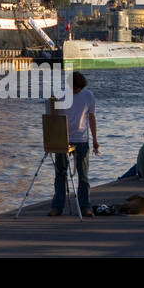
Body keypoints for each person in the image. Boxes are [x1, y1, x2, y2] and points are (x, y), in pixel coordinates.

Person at [49, 72, 99, 217]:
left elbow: (91, 118)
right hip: (62, 138)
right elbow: (54, 117)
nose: (76, 91)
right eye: (75, 88)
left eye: (79, 89)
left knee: (83, 175)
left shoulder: (88, 95)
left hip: (81, 138)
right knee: (60, 174)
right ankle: (57, 206)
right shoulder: (61, 94)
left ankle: (85, 207)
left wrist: (95, 139)